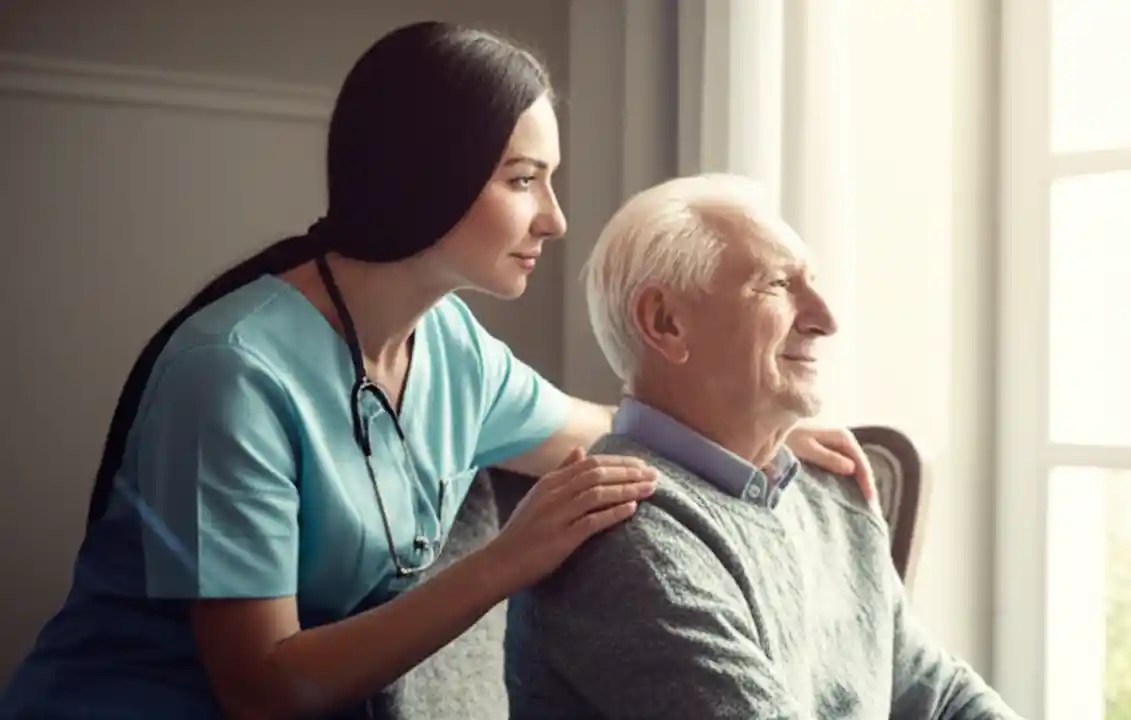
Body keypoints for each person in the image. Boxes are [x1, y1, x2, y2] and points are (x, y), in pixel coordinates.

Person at [0, 22, 866, 720]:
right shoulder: (231, 375)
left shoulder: (452, 345)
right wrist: (501, 562)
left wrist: (763, 426)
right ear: (429, 173)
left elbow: (609, 428)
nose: (556, 219)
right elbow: (261, 690)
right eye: (524, 180)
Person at [504, 174, 1023, 719]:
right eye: (778, 284)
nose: (826, 319)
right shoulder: (616, 535)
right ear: (666, 322)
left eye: (813, 282)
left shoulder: (830, 487)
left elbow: (939, 697)